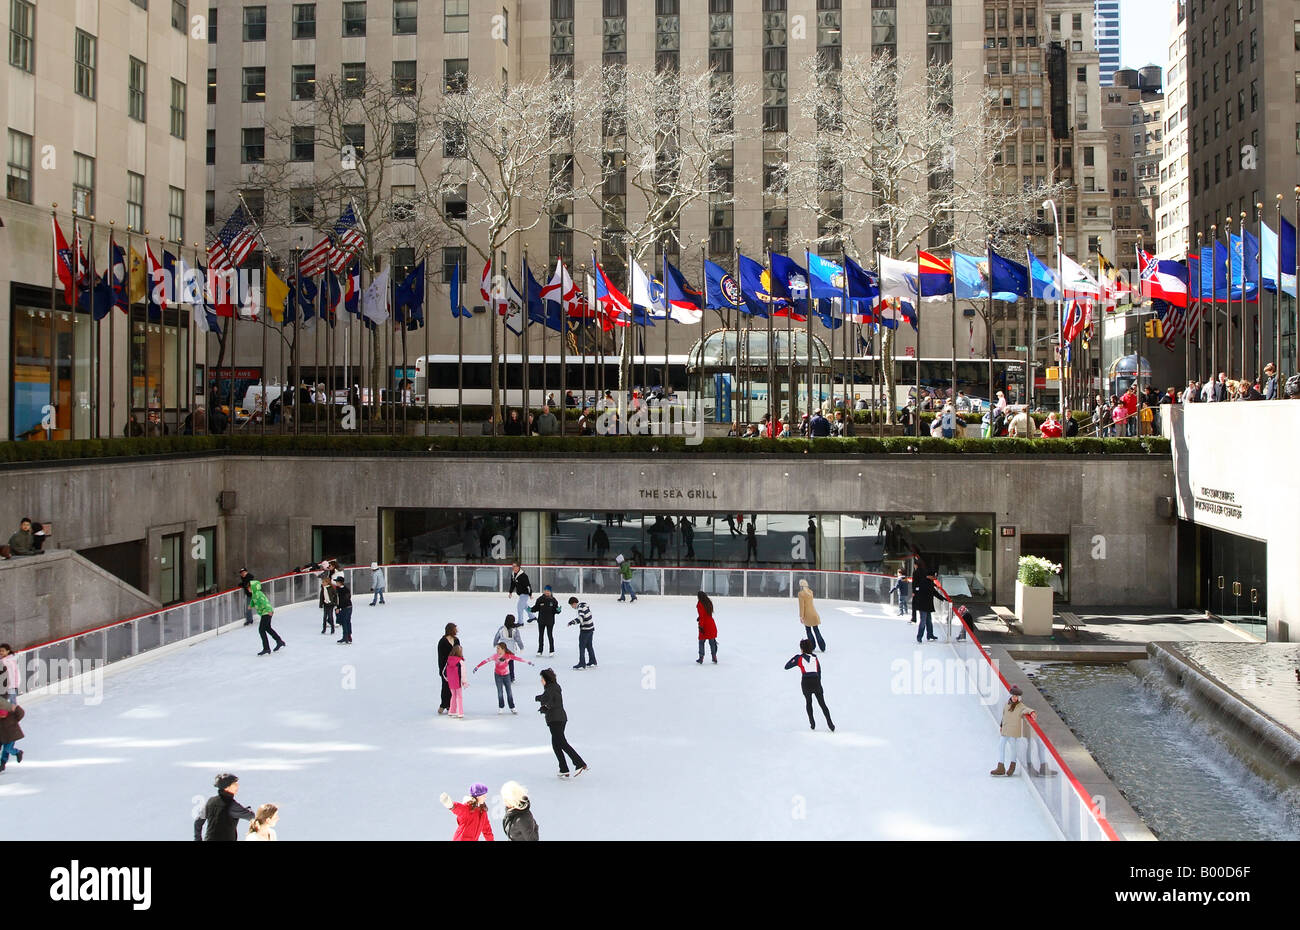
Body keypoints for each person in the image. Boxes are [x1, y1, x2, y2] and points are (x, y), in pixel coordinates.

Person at [535, 668, 588, 777]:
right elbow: (548, 698)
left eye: (542, 678)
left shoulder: (552, 688)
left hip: (556, 719)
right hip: (558, 718)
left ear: (546, 679)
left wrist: (546, 708)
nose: (541, 680)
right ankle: (563, 768)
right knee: (556, 744)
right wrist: (539, 698)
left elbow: (554, 701)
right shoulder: (552, 688)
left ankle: (579, 763)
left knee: (562, 743)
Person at [784, 640, 834, 732]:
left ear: (801, 648)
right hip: (816, 680)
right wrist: (819, 682)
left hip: (806, 682)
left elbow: (787, 666)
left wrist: (795, 657)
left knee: (809, 702)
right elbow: (819, 670)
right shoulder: (815, 657)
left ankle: (812, 723)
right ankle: (830, 723)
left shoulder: (799, 658)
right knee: (822, 703)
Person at [473, 642, 534, 713]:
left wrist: (528, 662)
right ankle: (501, 706)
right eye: (497, 648)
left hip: (506, 675)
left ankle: (512, 707)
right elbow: (485, 661)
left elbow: (518, 659)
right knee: (500, 692)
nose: (497, 650)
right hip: (497, 675)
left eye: (498, 648)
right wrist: (477, 667)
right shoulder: (495, 656)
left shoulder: (508, 656)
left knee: (509, 692)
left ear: (503, 649)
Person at [991, 685, 1037, 776]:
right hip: (1006, 728)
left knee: (1013, 748)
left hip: (1013, 730)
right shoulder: (1007, 704)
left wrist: (1032, 712)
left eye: (1016, 696)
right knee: (1001, 745)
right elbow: (1004, 716)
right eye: (1013, 696)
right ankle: (1001, 766)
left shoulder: (1020, 706)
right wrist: (1001, 725)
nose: (1015, 698)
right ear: (1011, 696)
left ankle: (1012, 765)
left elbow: (1026, 709)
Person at [195, 773, 256, 841]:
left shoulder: (210, 802)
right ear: (227, 788)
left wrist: (197, 839)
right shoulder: (231, 805)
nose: (237, 786)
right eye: (235, 784)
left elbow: (198, 822)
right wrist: (248, 809)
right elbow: (251, 816)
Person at [248, 579, 285, 656]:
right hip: (266, 612)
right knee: (267, 628)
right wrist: (250, 605)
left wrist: (269, 611)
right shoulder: (255, 594)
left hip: (267, 612)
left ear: (254, 587)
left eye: (250, 587)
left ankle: (266, 648)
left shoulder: (258, 593)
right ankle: (279, 641)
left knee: (261, 630)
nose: (248, 588)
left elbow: (264, 601)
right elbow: (253, 600)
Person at [493, 615, 526, 682]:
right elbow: (518, 639)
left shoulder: (501, 629)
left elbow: (497, 637)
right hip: (511, 650)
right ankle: (511, 677)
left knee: (502, 664)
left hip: (502, 650)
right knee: (510, 664)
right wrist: (521, 647)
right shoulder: (515, 630)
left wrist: (495, 643)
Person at [566, 597, 596, 669]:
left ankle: (582, 663)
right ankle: (593, 661)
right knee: (589, 646)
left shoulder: (580, 608)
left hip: (585, 630)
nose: (572, 607)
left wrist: (572, 622)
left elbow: (581, 618)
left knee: (582, 646)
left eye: (571, 605)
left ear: (574, 603)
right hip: (591, 628)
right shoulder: (584, 605)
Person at [438, 623, 461, 715]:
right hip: (445, 667)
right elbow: (441, 657)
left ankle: (450, 705)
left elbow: (459, 652)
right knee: (445, 686)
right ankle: (443, 704)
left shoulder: (456, 640)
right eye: (455, 629)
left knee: (453, 687)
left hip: (455, 667)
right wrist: (442, 669)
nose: (457, 631)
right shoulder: (442, 641)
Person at [531, 585, 561, 656]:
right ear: (544, 591)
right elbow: (536, 608)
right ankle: (540, 650)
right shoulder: (540, 599)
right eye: (546, 591)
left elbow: (555, 610)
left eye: (548, 591)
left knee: (550, 635)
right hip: (541, 621)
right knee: (541, 636)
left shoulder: (553, 600)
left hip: (550, 621)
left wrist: (558, 610)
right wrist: (531, 609)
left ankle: (551, 650)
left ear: (551, 592)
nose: (547, 592)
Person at [912, 565, 939, 643]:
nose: (935, 578)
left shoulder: (930, 582)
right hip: (923, 605)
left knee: (929, 620)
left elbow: (934, 592)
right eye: (934, 576)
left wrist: (943, 598)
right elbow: (932, 592)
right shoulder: (924, 582)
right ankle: (919, 636)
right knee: (923, 620)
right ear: (930, 576)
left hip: (927, 605)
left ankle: (930, 635)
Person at [797, 578, 825, 652]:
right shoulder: (810, 592)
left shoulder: (801, 594)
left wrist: (801, 616)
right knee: (816, 630)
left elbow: (802, 606)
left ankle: (812, 646)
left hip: (807, 614)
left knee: (808, 631)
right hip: (814, 613)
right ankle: (822, 646)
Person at [0, 696, 24, 772]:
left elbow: (21, 713)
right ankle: (3, 764)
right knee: (5, 750)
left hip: (11, 734)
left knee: (7, 749)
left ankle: (18, 752)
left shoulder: (11, 712)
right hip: (2, 735)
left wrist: (15, 722)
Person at [695, 591, 718, 664]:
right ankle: (714, 657)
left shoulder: (700, 604)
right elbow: (707, 613)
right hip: (711, 624)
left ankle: (701, 658)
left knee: (701, 642)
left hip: (704, 625)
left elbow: (702, 616)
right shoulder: (709, 602)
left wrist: (701, 626)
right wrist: (700, 617)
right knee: (712, 642)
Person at [445, 644, 467, 718]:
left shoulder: (448, 660)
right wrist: (464, 682)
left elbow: (444, 671)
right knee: (459, 696)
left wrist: (447, 679)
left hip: (451, 681)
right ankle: (460, 712)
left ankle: (452, 711)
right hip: (458, 681)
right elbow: (463, 673)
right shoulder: (460, 662)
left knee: (453, 696)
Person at [333, 574, 354, 644]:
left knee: (345, 622)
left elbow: (344, 600)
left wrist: (338, 608)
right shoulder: (339, 589)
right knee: (346, 622)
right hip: (347, 607)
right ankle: (348, 636)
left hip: (347, 607)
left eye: (337, 582)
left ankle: (346, 637)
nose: (336, 583)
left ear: (340, 582)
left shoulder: (344, 590)